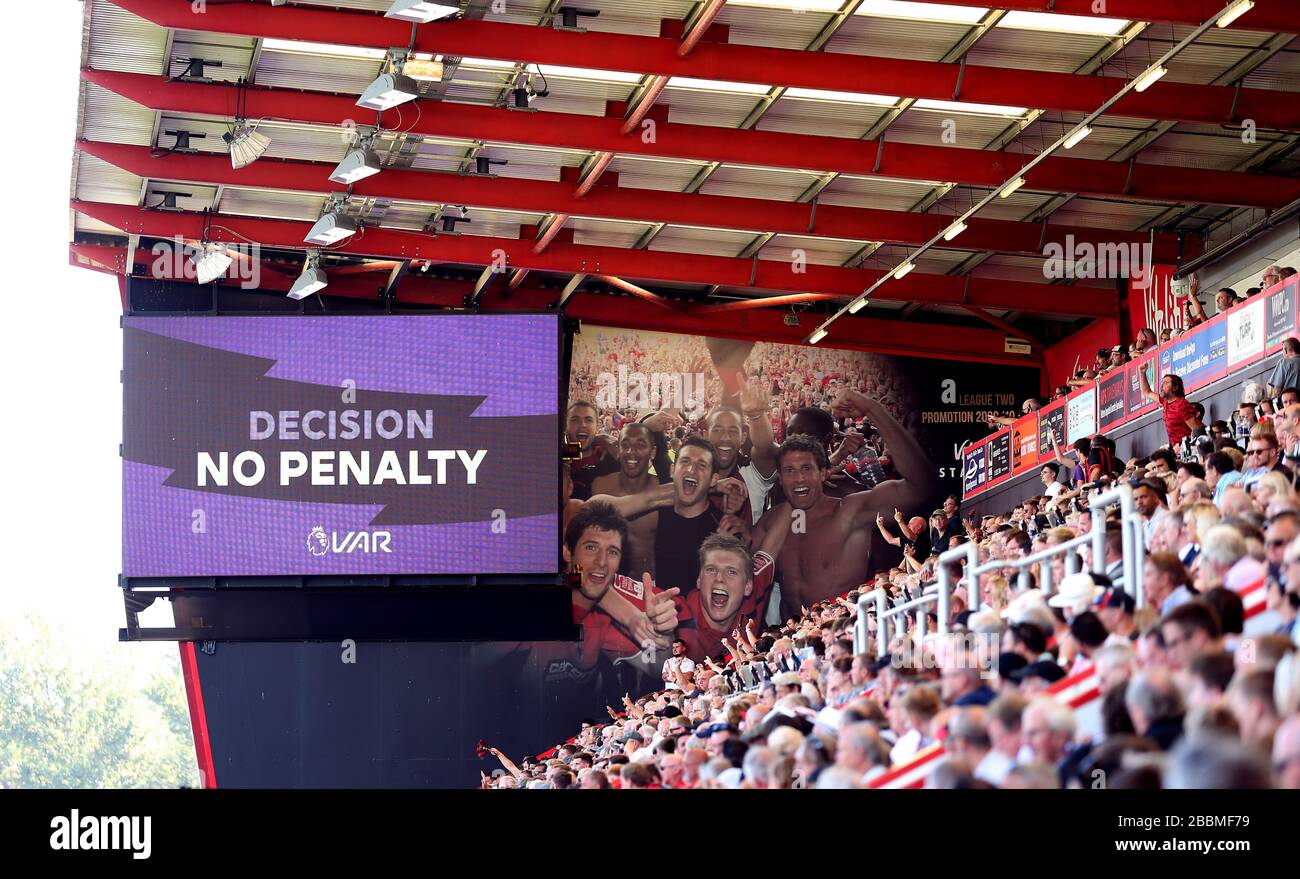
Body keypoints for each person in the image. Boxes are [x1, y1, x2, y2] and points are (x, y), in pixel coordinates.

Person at [751, 388, 939, 617]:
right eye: (790, 470)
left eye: (807, 468)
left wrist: (873, 408)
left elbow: (922, 487)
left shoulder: (849, 508)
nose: (798, 477)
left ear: (822, 471)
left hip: (847, 627)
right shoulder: (770, 521)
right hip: (791, 633)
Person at [1139, 369, 1197, 449]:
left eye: (1166, 383)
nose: (1162, 386)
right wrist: (1142, 373)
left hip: (1187, 448)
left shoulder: (1181, 404)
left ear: (1175, 387)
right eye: (1162, 383)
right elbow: (1147, 392)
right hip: (1175, 449)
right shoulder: (1165, 402)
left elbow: (1197, 429)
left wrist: (1183, 446)